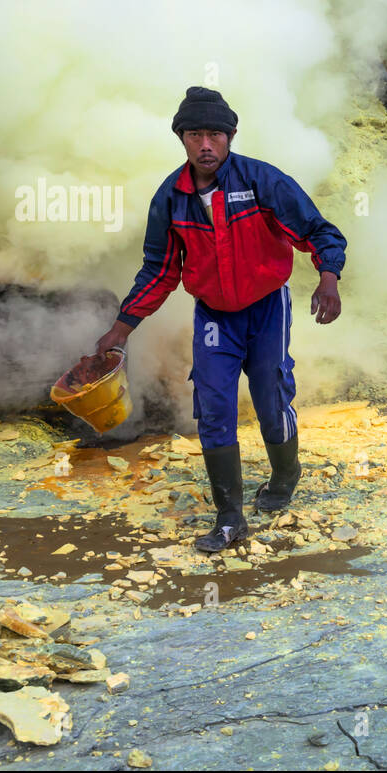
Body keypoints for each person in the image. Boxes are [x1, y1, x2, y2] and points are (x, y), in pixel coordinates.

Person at [94, 87, 347, 552]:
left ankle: (286, 473)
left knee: (271, 396)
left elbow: (318, 232)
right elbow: (160, 269)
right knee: (213, 405)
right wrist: (121, 328)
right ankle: (229, 517)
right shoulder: (171, 198)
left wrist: (328, 277)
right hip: (215, 315)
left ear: (230, 137)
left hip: (268, 305)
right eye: (194, 135)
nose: (205, 144)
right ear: (182, 139)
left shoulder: (262, 182)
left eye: (214, 134)